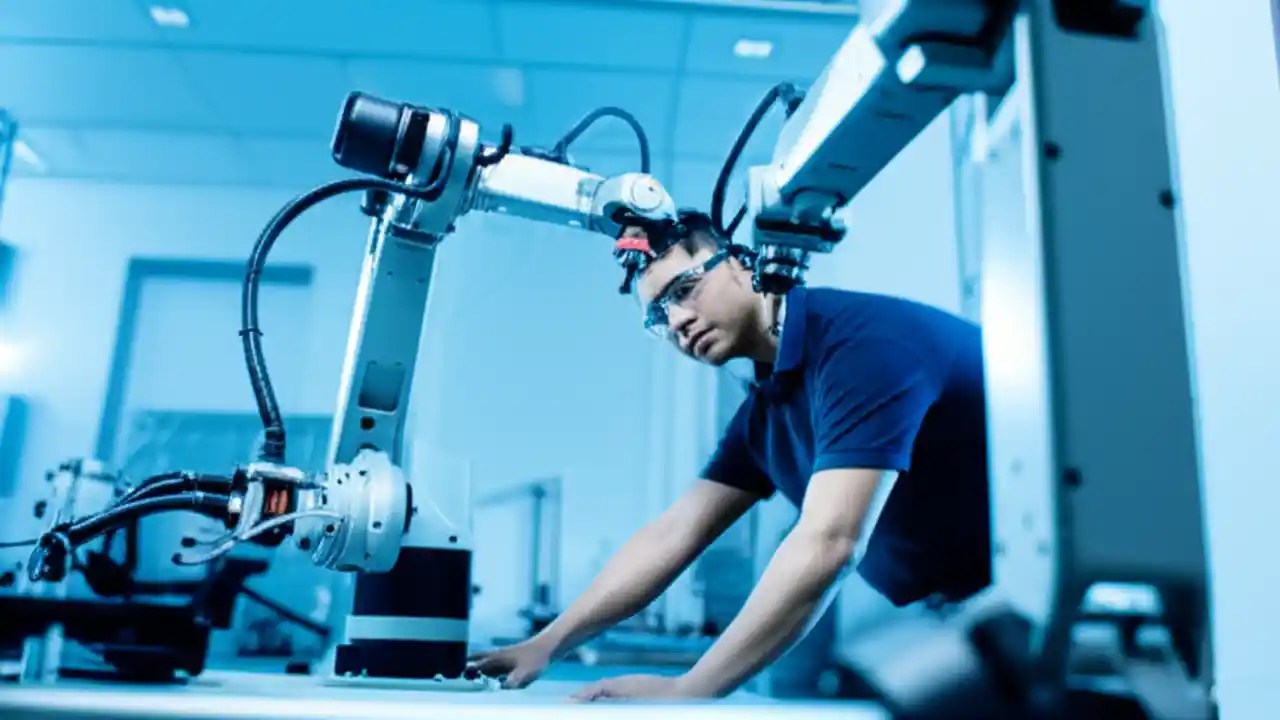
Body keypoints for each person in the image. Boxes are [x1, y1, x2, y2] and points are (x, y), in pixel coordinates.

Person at [469, 210, 990, 701]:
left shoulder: (860, 348)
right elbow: (674, 533)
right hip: (957, 615)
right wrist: (546, 644)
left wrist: (690, 690)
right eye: (659, 314)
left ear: (741, 263)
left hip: (1033, 605)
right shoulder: (769, 410)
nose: (676, 321)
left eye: (685, 290)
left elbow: (830, 541)